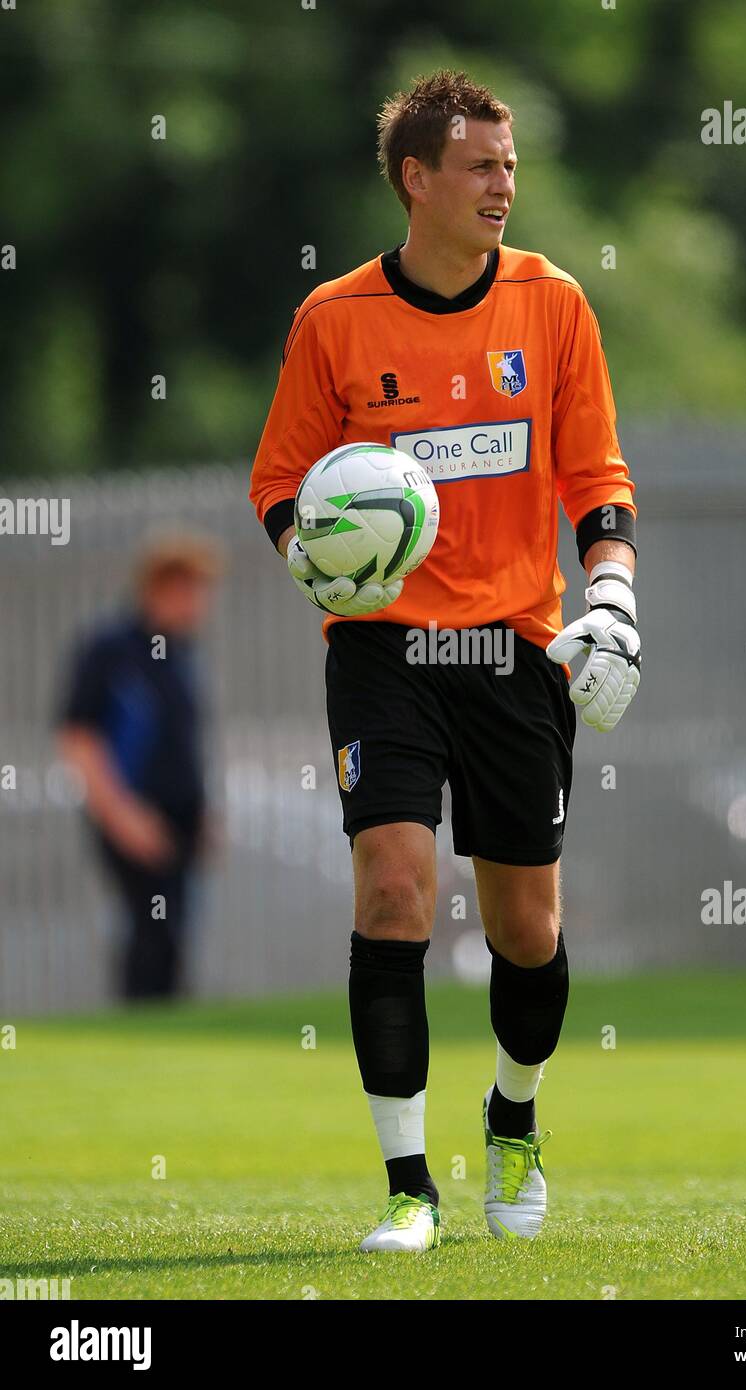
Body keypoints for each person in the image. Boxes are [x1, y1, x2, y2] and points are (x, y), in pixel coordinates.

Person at [249, 70, 641, 1250]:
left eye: (509, 166)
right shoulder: (333, 321)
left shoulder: (555, 303)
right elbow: (280, 483)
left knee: (526, 928)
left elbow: (597, 479)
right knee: (394, 888)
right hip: (385, 652)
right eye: (480, 166)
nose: (503, 185)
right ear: (416, 179)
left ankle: (511, 1116)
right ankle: (408, 1187)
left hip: (517, 648)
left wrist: (612, 598)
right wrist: (312, 556)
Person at [57, 531, 223, 1001]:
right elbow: (79, 737)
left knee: (175, 934)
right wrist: (120, 815)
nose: (199, 602)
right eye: (189, 589)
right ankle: (142, 1033)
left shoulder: (182, 653)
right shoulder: (110, 649)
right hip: (132, 814)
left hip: (180, 817)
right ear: (158, 587)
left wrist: (203, 813)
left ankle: (168, 1034)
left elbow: (185, 743)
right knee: (150, 932)